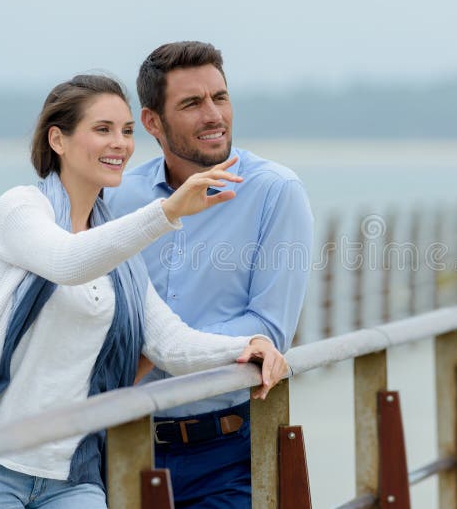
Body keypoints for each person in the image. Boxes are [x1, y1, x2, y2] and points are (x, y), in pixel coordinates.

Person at [0, 74, 287, 509]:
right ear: (58, 139)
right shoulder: (20, 209)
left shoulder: (116, 245)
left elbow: (168, 342)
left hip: (75, 475)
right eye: (103, 129)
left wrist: (249, 346)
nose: (121, 144)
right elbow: (67, 262)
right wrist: (166, 212)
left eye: (127, 131)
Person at [104, 41, 313, 506]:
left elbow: (269, 328)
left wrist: (155, 354)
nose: (213, 114)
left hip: (226, 454)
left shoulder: (276, 193)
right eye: (192, 103)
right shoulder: (118, 198)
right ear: (152, 122)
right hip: (120, 444)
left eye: (220, 97)